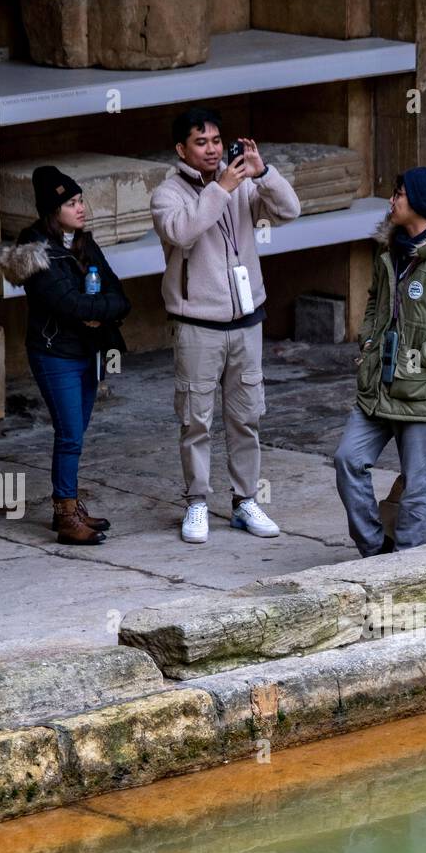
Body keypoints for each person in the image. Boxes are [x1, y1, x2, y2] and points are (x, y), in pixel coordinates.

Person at [150, 105, 301, 544]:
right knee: (196, 418)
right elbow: (183, 232)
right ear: (182, 149)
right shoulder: (168, 193)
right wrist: (220, 188)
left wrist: (264, 172)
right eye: (201, 142)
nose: (213, 149)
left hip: (247, 318)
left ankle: (245, 501)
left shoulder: (241, 184)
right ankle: (197, 501)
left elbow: (289, 210)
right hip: (197, 322)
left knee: (246, 415)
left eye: (217, 141)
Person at [334, 166, 426, 557]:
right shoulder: (391, 248)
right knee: (348, 459)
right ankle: (372, 550)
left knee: (418, 483)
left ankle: (408, 564)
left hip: (421, 391)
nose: (391, 200)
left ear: (418, 202)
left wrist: (421, 357)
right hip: (377, 386)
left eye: (398, 194)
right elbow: (374, 299)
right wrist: (368, 342)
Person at [0, 165, 131, 545]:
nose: (80, 207)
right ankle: (65, 513)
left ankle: (69, 507)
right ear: (52, 210)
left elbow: (121, 296)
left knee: (78, 431)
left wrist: (97, 311)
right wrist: (95, 309)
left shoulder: (83, 242)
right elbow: (70, 306)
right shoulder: (35, 253)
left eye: (80, 199)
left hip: (88, 351)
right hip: (55, 354)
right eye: (71, 203)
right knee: (70, 433)